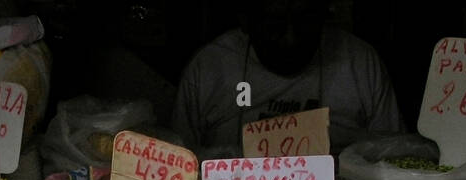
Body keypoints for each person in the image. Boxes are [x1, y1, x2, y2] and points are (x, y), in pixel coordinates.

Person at [173, 1, 403, 159]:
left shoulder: (359, 62)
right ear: (246, 21)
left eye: (305, 21)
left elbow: (392, 157)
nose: (290, 40)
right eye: (275, 24)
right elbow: (179, 160)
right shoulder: (210, 66)